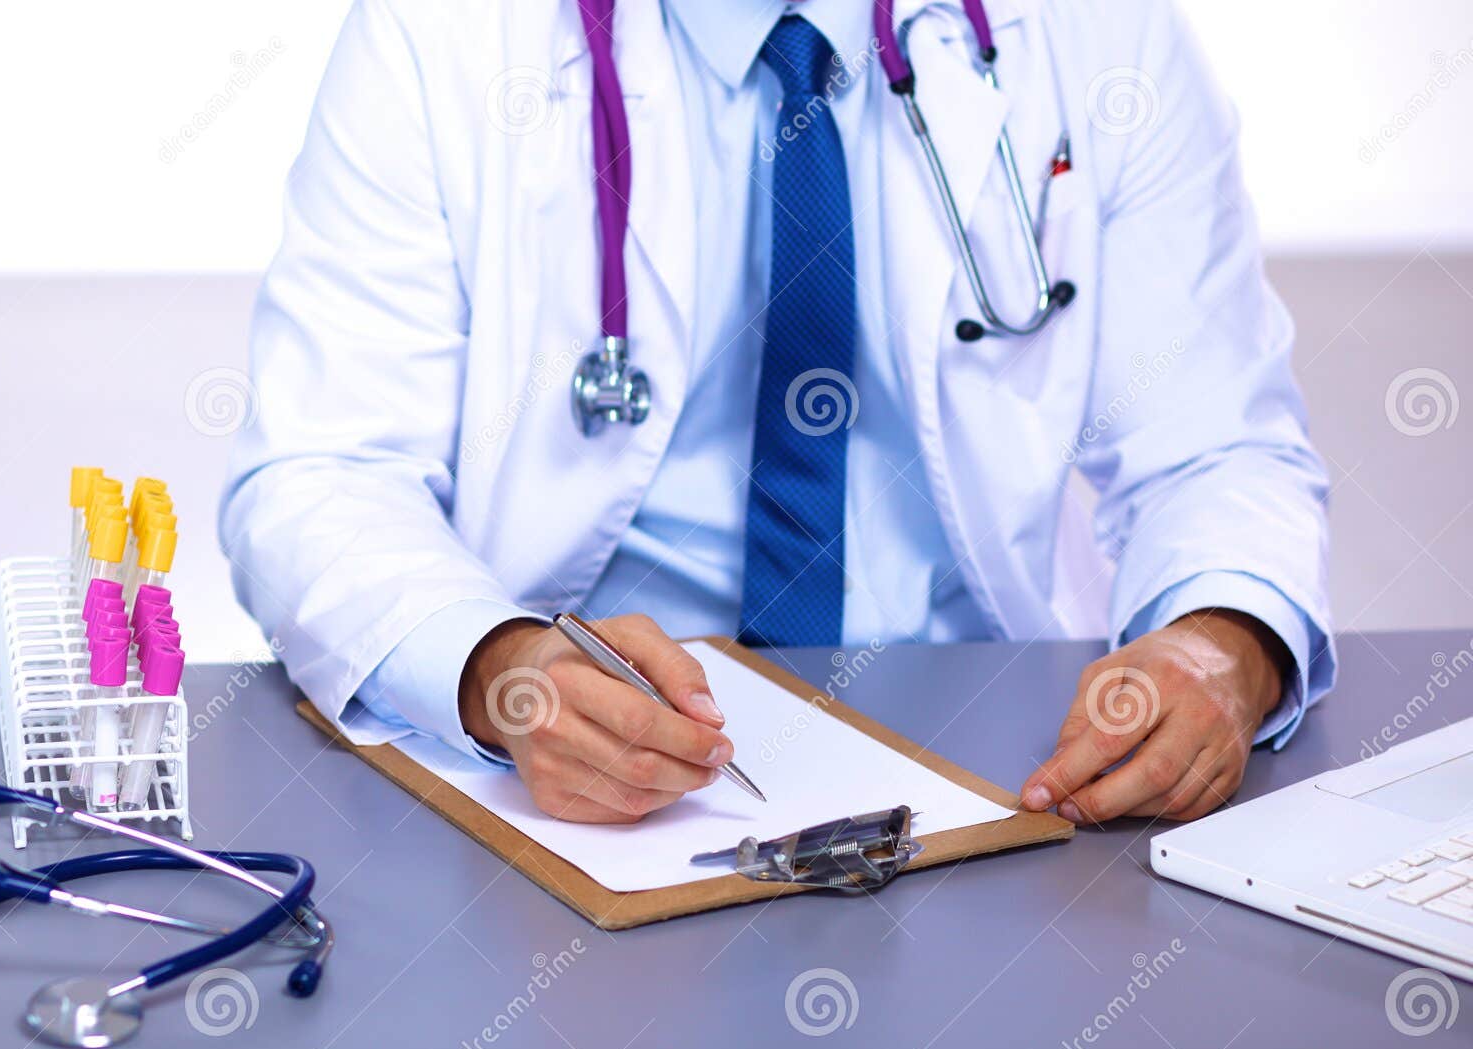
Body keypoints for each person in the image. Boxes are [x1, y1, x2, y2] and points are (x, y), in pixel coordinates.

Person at [221, 0, 1333, 827]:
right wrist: (496, 665)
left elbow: (1216, 448)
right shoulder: (445, 36)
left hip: (999, 762)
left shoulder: (1098, 35)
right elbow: (321, 471)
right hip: (588, 775)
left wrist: (1219, 648)